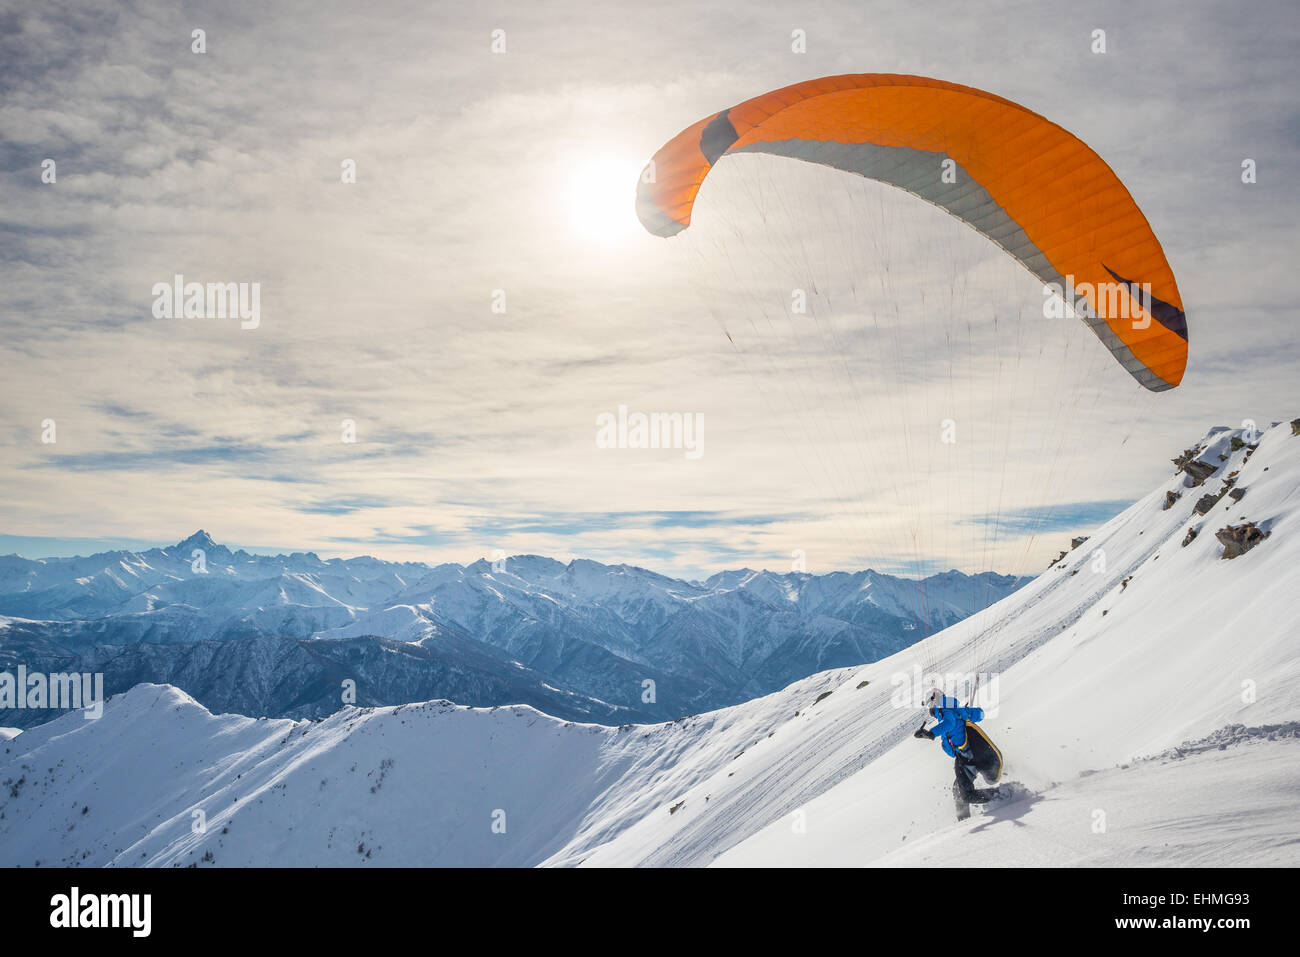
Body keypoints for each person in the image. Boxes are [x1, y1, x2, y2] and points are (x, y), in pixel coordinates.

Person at [913, 689, 1003, 818]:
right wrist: (965, 712)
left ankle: (1003, 795)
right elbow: (980, 714)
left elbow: (950, 723)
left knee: (966, 795)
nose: (930, 710)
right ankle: (964, 819)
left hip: (965, 756)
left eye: (929, 706)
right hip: (969, 755)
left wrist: (930, 733)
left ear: (933, 702)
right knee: (957, 790)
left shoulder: (943, 709)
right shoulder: (954, 708)